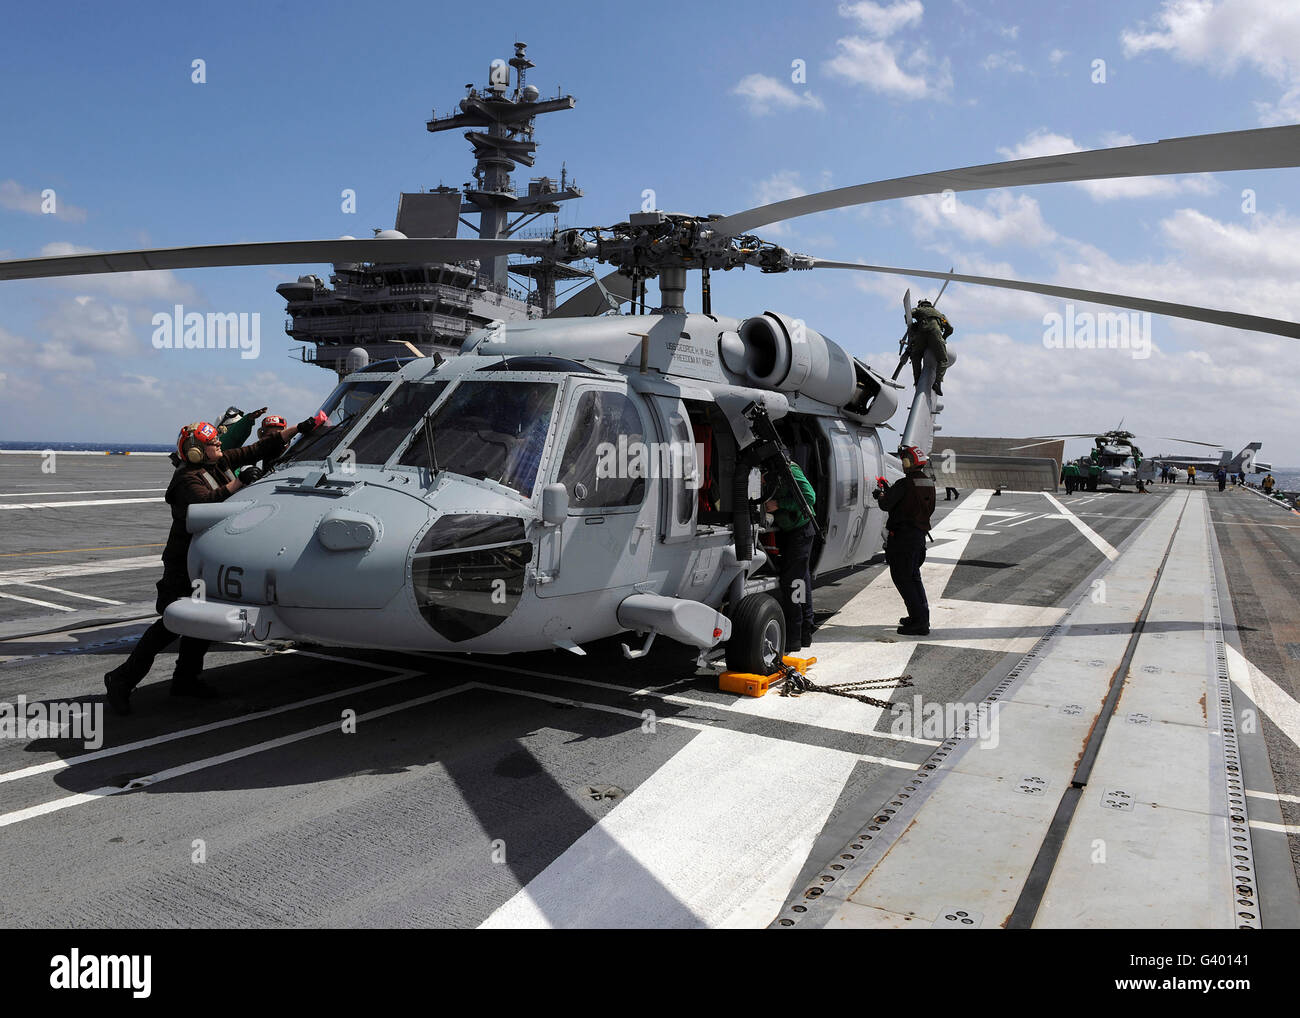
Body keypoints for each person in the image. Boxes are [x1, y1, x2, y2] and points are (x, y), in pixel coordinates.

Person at [103, 412, 327, 715]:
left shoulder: (215, 463)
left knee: (201, 618)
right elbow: (207, 504)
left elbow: (255, 450)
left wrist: (302, 428)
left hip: (206, 558)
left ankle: (186, 679)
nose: (220, 443)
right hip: (183, 562)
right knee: (170, 624)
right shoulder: (186, 479)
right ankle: (121, 679)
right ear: (196, 451)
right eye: (213, 442)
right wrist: (239, 483)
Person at [876, 446, 936, 636]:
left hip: (903, 539)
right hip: (918, 537)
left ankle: (919, 624)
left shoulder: (905, 484)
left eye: (905, 460)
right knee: (913, 578)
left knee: (903, 579)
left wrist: (880, 494)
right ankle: (920, 617)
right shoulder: (928, 483)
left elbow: (886, 504)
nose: (903, 463)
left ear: (911, 462)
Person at [764, 460, 817, 653]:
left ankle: (794, 636)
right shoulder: (773, 472)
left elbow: (809, 497)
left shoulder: (790, 469)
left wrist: (778, 504)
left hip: (800, 532)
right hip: (791, 532)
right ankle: (805, 630)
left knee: (793, 582)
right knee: (801, 580)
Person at [907, 299, 952, 396]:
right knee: (943, 360)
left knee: (916, 356)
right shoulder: (940, 315)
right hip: (935, 335)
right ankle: (937, 383)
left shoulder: (919, 310)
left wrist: (913, 327)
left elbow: (908, 314)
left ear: (921, 305)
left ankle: (918, 382)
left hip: (921, 336)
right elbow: (950, 329)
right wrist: (942, 339)